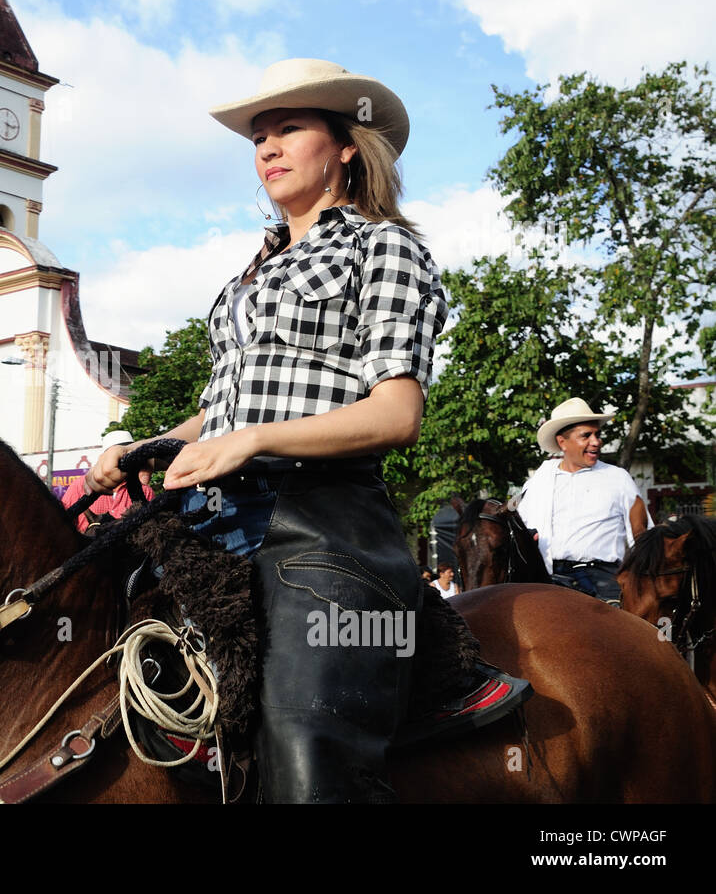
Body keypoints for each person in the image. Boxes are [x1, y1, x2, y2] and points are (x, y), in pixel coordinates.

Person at [87, 58, 449, 802]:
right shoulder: (252, 270)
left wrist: (253, 440)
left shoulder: (383, 246)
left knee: (300, 738)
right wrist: (147, 446)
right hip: (206, 523)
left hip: (320, 525)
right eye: (260, 136)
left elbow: (396, 412)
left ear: (347, 145)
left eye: (289, 129)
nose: (268, 148)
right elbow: (221, 410)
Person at [517, 397, 650, 603]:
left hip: (604, 579)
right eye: (586, 435)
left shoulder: (618, 478)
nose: (596, 442)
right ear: (563, 442)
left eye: (597, 434)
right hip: (548, 579)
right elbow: (520, 530)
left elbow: (643, 536)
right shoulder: (537, 483)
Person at [61, 430, 156, 533]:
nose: (123, 458)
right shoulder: (80, 485)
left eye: (127, 452)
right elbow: (62, 519)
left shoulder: (145, 490)